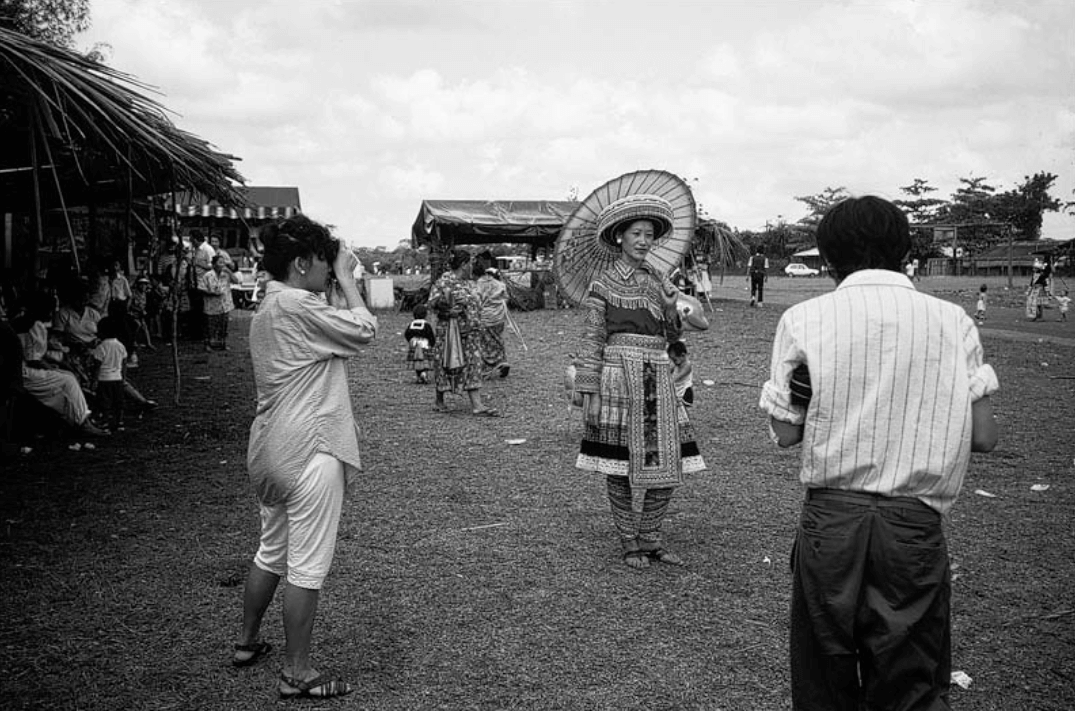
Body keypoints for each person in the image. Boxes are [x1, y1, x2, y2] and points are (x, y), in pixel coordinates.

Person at [759, 195, 999, 710]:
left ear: (827, 258)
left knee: (825, 676)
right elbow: (983, 437)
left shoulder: (805, 318)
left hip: (832, 522)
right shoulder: (952, 321)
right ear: (906, 250)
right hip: (913, 526)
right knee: (909, 680)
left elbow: (785, 434)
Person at [234, 214, 375, 700]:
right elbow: (362, 330)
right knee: (307, 566)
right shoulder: (299, 305)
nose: (326, 271)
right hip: (311, 449)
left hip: (271, 447)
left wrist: (332, 280)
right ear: (300, 264)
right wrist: (348, 278)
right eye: (321, 262)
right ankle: (297, 672)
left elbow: (333, 336)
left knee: (270, 550)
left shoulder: (271, 304)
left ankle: (248, 642)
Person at [572, 193, 706, 570]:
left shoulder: (660, 280)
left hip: (655, 374)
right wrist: (589, 387)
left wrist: (668, 306)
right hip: (616, 374)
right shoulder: (603, 284)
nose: (644, 240)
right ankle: (629, 541)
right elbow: (593, 337)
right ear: (620, 237)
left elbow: (674, 334)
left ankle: (651, 537)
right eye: (637, 233)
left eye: (649, 233)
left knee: (668, 460)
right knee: (618, 464)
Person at [14, 292, 108, 437]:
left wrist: (61, 364)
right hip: (23, 371)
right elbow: (33, 359)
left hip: (23, 368)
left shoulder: (25, 322)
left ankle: (76, 418)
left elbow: (39, 354)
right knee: (68, 380)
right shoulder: (35, 325)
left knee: (67, 375)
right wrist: (52, 368)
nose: (54, 313)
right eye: (52, 310)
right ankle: (83, 422)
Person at [428, 249, 498, 416]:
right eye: (470, 263)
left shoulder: (468, 283)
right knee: (446, 362)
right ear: (463, 265)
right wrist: (447, 309)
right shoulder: (445, 282)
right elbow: (433, 303)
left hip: (470, 332)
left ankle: (477, 404)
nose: (472, 267)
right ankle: (439, 400)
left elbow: (477, 302)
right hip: (450, 332)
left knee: (473, 363)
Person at [92, 316, 127, 433]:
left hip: (104, 379)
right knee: (119, 401)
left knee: (105, 402)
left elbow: (97, 366)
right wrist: (123, 377)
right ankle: (120, 422)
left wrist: (94, 380)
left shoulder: (101, 347)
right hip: (117, 377)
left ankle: (105, 422)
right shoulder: (121, 346)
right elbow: (124, 363)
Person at [199, 254, 241, 351]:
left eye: (223, 262)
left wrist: (229, 271)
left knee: (223, 325)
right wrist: (211, 293)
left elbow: (236, 281)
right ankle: (208, 344)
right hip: (211, 304)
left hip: (225, 304)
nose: (222, 265)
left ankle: (222, 344)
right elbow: (201, 288)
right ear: (214, 264)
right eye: (220, 262)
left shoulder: (226, 274)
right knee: (211, 326)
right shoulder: (208, 275)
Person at [475, 266, 510, 379]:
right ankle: (501, 360)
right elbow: (506, 298)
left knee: (484, 343)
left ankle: (488, 366)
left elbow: (475, 300)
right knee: (498, 339)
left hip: (485, 317)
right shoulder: (499, 284)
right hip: (499, 317)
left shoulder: (478, 284)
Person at [404, 303, 435, 384]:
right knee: (425, 361)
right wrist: (432, 343)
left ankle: (418, 376)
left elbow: (406, 334)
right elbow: (430, 335)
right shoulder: (426, 324)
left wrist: (411, 341)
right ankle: (424, 373)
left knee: (416, 361)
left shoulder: (411, 324)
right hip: (424, 344)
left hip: (414, 345)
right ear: (425, 314)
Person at [667, 340, 694, 407]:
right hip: (677, 391)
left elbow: (675, 379)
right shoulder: (676, 364)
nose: (673, 361)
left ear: (683, 355)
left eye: (674, 359)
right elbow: (669, 371)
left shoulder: (687, 365)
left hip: (684, 392)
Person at [1025, 255, 1052, 321]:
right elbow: (1031, 283)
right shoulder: (1034, 275)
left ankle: (1040, 316)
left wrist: (1048, 292)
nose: (1033, 269)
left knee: (1039, 304)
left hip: (1040, 290)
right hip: (1034, 290)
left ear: (1038, 269)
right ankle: (1035, 315)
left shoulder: (1042, 276)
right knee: (1033, 303)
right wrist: (1028, 291)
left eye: (1034, 268)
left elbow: (1045, 284)